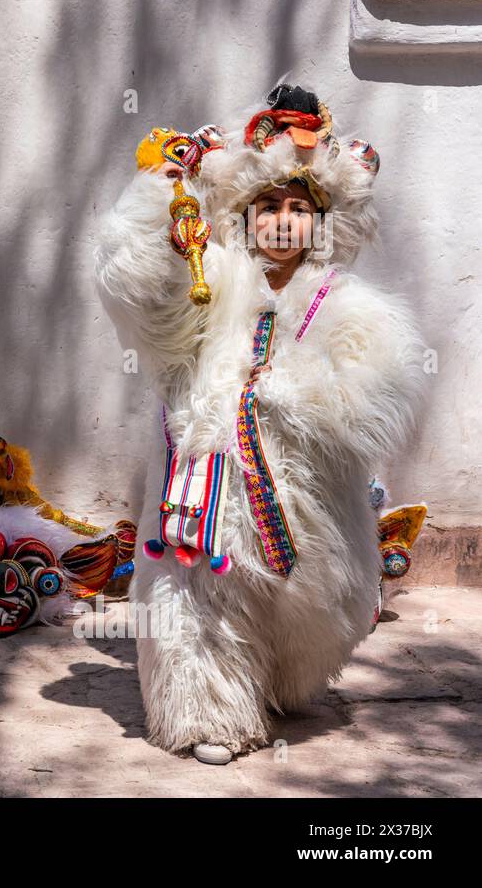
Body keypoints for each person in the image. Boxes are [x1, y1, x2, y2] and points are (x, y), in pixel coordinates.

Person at [94, 85, 425, 763]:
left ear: (322, 220)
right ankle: (210, 715)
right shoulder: (211, 279)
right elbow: (146, 297)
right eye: (266, 206)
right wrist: (159, 201)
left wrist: (286, 391)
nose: (280, 222)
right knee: (204, 591)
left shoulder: (350, 306)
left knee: (300, 612)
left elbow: (371, 397)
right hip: (208, 491)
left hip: (305, 502)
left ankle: (275, 683)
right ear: (243, 216)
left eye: (297, 208)